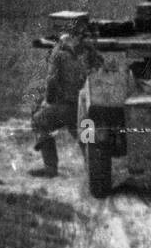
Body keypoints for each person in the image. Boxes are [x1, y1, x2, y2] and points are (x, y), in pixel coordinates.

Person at [31, 21, 102, 177]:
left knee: (39, 120)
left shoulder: (59, 53)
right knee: (85, 137)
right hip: (85, 107)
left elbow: (51, 80)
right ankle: (92, 170)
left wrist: (48, 100)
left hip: (65, 106)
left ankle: (50, 167)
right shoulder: (90, 52)